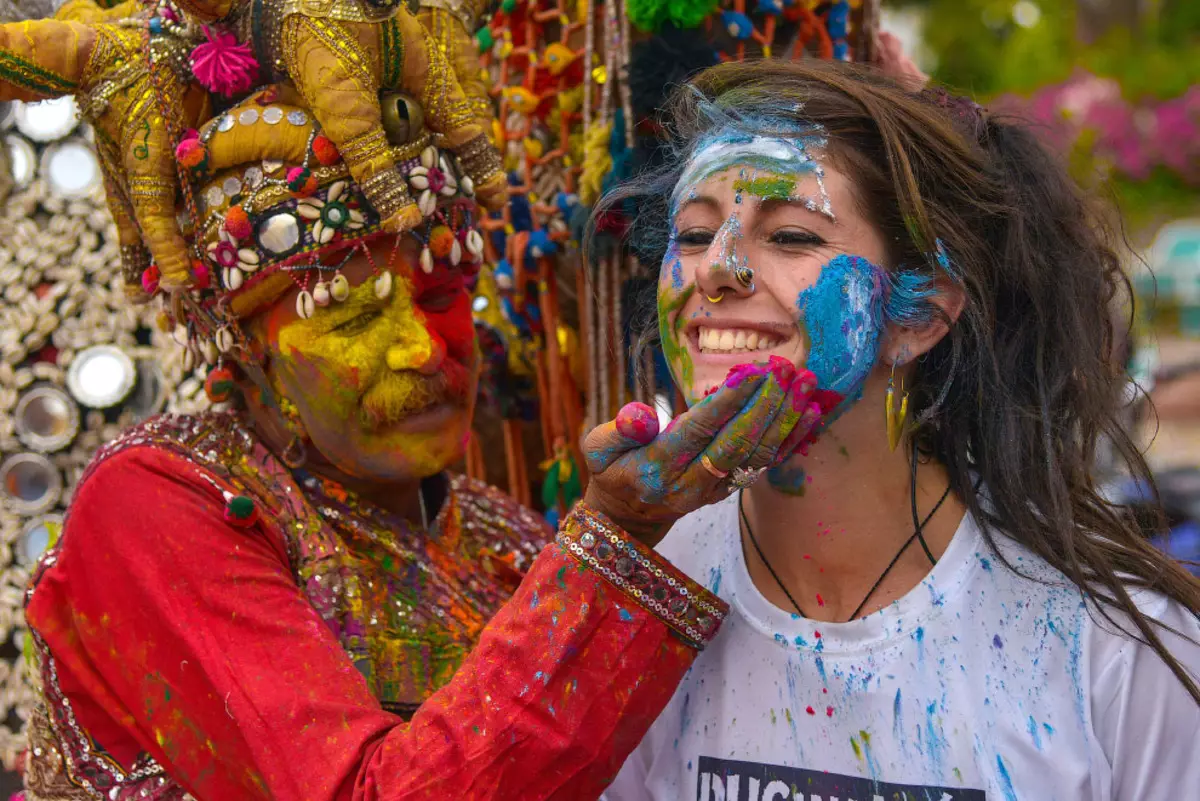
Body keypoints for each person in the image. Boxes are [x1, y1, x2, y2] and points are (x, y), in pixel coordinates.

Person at [11, 36, 830, 801]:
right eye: (351, 316)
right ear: (248, 354)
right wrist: (615, 540)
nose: (421, 348)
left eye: (442, 296)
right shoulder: (160, 503)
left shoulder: (497, 533)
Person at [589, 60, 1200, 800]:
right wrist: (606, 543)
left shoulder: (1111, 648)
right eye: (693, 233)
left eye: (788, 235)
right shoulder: (625, 598)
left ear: (919, 314)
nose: (715, 271)